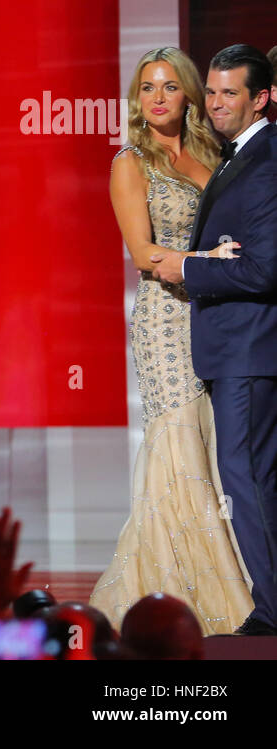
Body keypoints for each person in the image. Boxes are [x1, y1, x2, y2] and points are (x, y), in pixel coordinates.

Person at [93, 47, 254, 634]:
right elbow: (143, 254)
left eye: (168, 87)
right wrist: (205, 259)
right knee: (179, 438)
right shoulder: (129, 162)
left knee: (217, 448)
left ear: (189, 94)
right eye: (145, 88)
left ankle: (235, 571)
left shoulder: (214, 156)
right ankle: (180, 588)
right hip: (165, 316)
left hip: (218, 314)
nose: (156, 98)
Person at [150, 43, 277, 636]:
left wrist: (189, 268)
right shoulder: (234, 157)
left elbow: (263, 269)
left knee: (248, 478)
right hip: (235, 348)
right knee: (252, 477)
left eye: (232, 93)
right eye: (214, 91)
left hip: (249, 347)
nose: (217, 103)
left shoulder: (268, 158)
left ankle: (274, 610)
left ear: (262, 98)